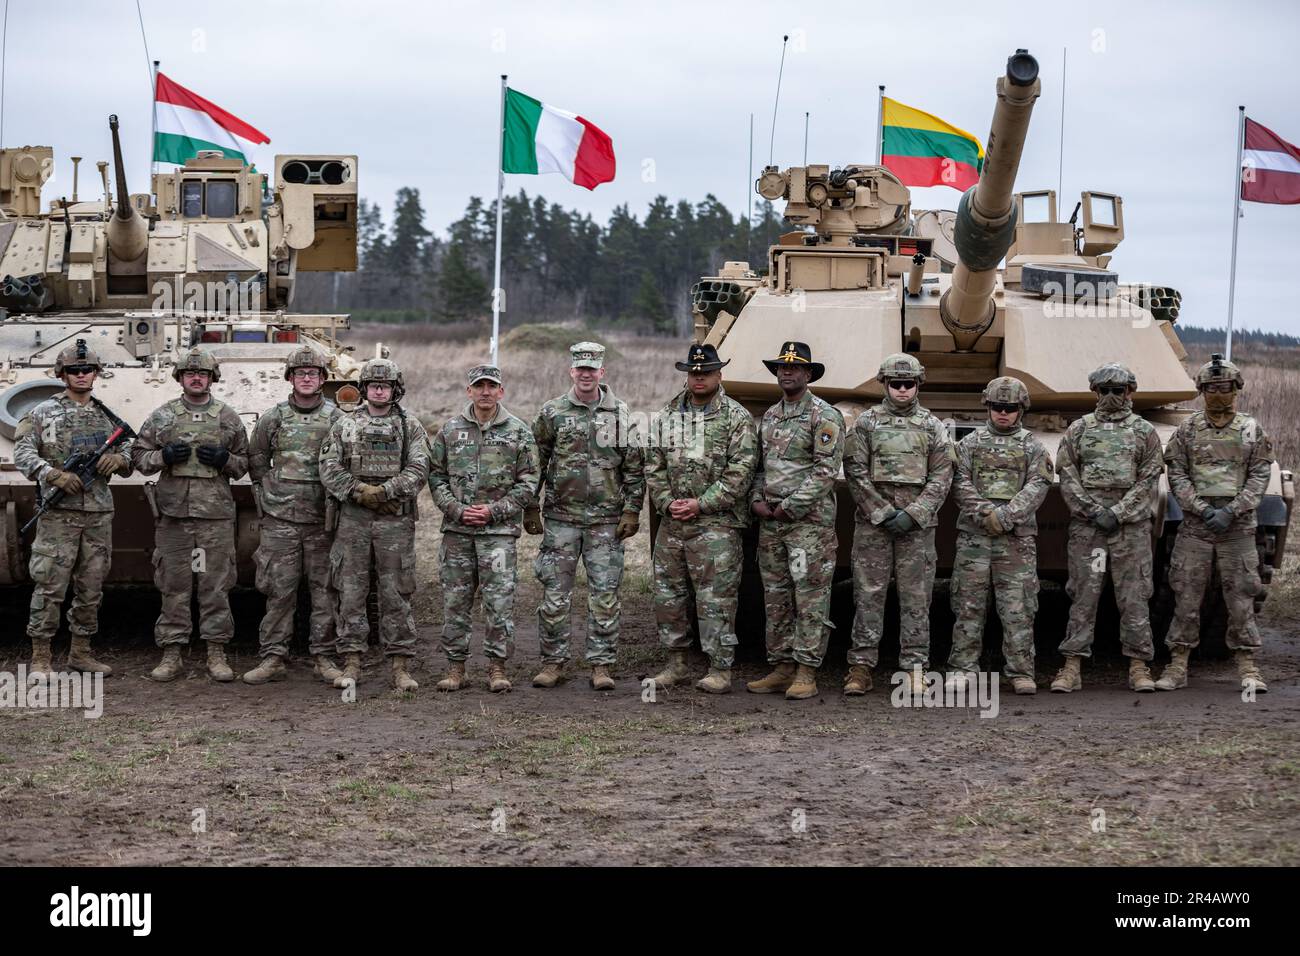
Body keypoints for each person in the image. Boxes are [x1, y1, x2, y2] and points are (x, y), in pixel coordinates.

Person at [13, 339, 131, 678]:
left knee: (91, 587)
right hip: (58, 514)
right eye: (74, 370)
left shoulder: (105, 415)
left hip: (97, 512)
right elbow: (23, 453)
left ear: (96, 374)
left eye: (87, 370)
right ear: (63, 375)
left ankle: (81, 653)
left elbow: (131, 447)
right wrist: (52, 475)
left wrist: (119, 459)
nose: (81, 375)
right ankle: (41, 658)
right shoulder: (41, 412)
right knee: (50, 586)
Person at [531, 342, 645, 691]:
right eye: (580, 368)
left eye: (591, 368)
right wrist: (529, 506)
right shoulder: (553, 412)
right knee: (554, 595)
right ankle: (553, 663)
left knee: (605, 596)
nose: (585, 373)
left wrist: (632, 510)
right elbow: (536, 460)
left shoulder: (620, 415)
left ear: (602, 372)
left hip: (605, 522)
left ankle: (601, 665)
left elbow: (635, 467)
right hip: (562, 520)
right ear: (571, 371)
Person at [1157, 353, 1272, 693]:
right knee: (1186, 596)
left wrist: (1232, 510)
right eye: (1211, 387)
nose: (1219, 393)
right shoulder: (1188, 429)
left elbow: (1260, 474)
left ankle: (1248, 667)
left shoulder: (1250, 429)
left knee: (1241, 598)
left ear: (1236, 389)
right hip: (1196, 528)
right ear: (1202, 391)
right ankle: (1177, 665)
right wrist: (1200, 508)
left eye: (1224, 387)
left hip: (1236, 529)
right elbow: (1175, 471)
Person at [132, 347, 249, 682]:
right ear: (180, 378)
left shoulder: (227, 417)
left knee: (215, 585)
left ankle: (216, 652)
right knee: (173, 584)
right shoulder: (162, 416)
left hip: (214, 514)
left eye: (203, 374)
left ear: (212, 379)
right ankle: (172, 653)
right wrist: (163, 457)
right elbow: (138, 456)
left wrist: (225, 460)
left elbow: (246, 463)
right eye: (190, 374)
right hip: (174, 515)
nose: (196, 378)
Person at [645, 344, 757, 694]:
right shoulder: (666, 416)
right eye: (693, 372)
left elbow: (741, 473)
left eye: (705, 372)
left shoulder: (736, 418)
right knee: (669, 594)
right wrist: (666, 501)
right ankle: (676, 663)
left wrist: (701, 504)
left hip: (716, 525)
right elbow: (653, 464)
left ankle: (720, 668)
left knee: (716, 598)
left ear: (718, 375)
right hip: (673, 523)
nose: (698, 377)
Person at [841, 353, 953, 696]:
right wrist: (883, 512)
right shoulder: (867, 424)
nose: (902, 390)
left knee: (916, 598)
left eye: (909, 384)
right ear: (885, 385)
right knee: (868, 595)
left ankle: (916, 667)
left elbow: (941, 475)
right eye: (895, 384)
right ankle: (860, 667)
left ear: (918, 385)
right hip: (875, 525)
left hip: (916, 529)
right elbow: (855, 470)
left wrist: (914, 514)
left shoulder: (933, 426)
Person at [318, 358, 431, 691]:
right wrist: (359, 491)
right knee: (350, 591)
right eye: (372, 385)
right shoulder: (344, 425)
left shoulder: (411, 426)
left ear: (395, 389)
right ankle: (351, 662)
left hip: (393, 522)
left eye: (385, 385)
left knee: (395, 592)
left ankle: (400, 666)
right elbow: (328, 466)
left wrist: (385, 491)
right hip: (353, 519)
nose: (378, 389)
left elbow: (420, 468)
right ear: (364, 389)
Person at [1052, 363, 1163, 693]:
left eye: (1119, 390)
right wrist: (1092, 510)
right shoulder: (1079, 430)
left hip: (1129, 529)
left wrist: (1118, 512)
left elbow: (1149, 478)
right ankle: (1071, 666)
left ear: (1130, 392)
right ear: (1095, 392)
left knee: (1134, 596)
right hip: (1090, 529)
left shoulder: (1145, 432)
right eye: (1105, 391)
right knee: (1084, 594)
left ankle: (1139, 666)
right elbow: (1067, 475)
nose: (1112, 396)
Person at [428, 364, 537, 693]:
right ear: (469, 391)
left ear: (501, 392)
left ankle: (496, 667)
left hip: (498, 535)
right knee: (455, 601)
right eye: (479, 386)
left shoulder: (519, 431)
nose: (485, 392)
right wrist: (457, 510)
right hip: (458, 533)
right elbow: (436, 476)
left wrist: (494, 511)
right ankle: (455, 667)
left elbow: (529, 482)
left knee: (499, 601)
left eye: (492, 386)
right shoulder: (450, 430)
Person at [746, 342, 844, 701]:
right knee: (776, 596)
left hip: (808, 524)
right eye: (782, 367)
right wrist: (758, 500)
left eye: (795, 367)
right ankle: (782, 665)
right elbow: (762, 468)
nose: (787, 372)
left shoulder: (824, 416)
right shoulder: (771, 416)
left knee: (810, 595)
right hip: (772, 522)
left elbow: (825, 471)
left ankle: (806, 670)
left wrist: (790, 506)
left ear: (808, 374)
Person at [242, 346, 345, 685]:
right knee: (278, 590)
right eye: (299, 373)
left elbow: (346, 462)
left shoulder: (337, 419)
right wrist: (273, 491)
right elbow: (257, 459)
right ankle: (273, 656)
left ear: (322, 380)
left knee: (324, 591)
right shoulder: (273, 417)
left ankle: (324, 657)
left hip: (321, 520)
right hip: (280, 519)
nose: (306, 377)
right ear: (289, 378)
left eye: (312, 373)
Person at [947, 376, 1052, 696]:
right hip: (975, 538)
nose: (1003, 413)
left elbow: (1038, 485)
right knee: (968, 604)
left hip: (1015, 539)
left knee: (1018, 606)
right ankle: (962, 668)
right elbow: (958, 483)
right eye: (996, 407)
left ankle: (1021, 671)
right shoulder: (970, 444)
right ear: (987, 407)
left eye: (1010, 408)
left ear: (1021, 409)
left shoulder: (1033, 446)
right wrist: (986, 513)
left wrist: (1005, 516)